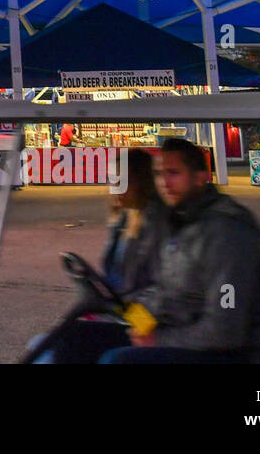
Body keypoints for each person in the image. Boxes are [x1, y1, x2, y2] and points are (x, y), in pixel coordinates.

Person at [100, 138, 260, 364]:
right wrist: (133, 319)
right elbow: (164, 293)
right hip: (178, 336)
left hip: (225, 354)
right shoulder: (181, 222)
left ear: (200, 178)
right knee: (72, 339)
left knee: (117, 360)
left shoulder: (227, 235)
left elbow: (224, 328)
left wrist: (158, 340)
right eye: (160, 174)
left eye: (173, 173)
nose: (164, 183)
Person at [30, 149, 167, 363]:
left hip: (142, 323)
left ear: (141, 183)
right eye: (112, 180)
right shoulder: (123, 220)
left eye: (120, 181)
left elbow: (159, 291)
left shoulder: (157, 227)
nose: (113, 188)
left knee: (69, 339)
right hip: (119, 314)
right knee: (41, 343)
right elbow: (110, 281)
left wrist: (123, 314)